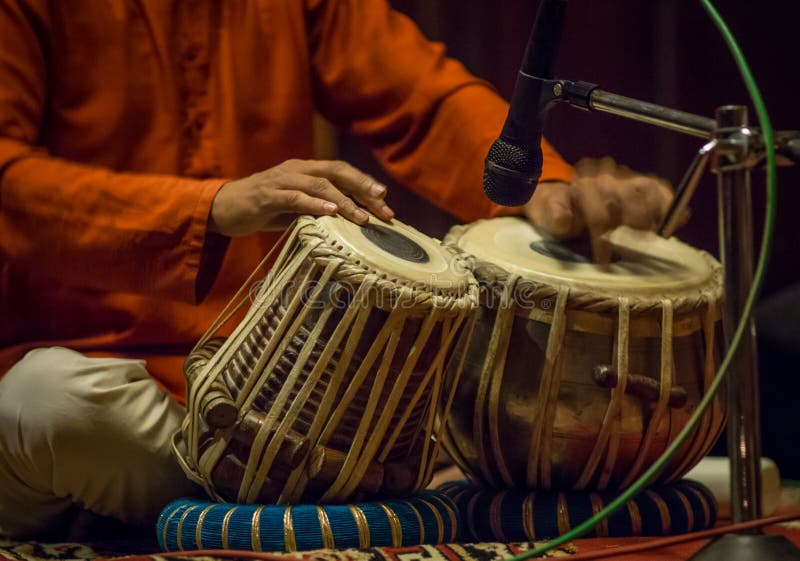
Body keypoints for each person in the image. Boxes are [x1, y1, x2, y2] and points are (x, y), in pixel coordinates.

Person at [0, 0, 673, 538]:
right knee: (50, 401)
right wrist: (213, 206)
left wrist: (542, 187)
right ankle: (316, 505)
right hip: (105, 391)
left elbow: (423, 100)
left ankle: (248, 504)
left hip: (258, 402)